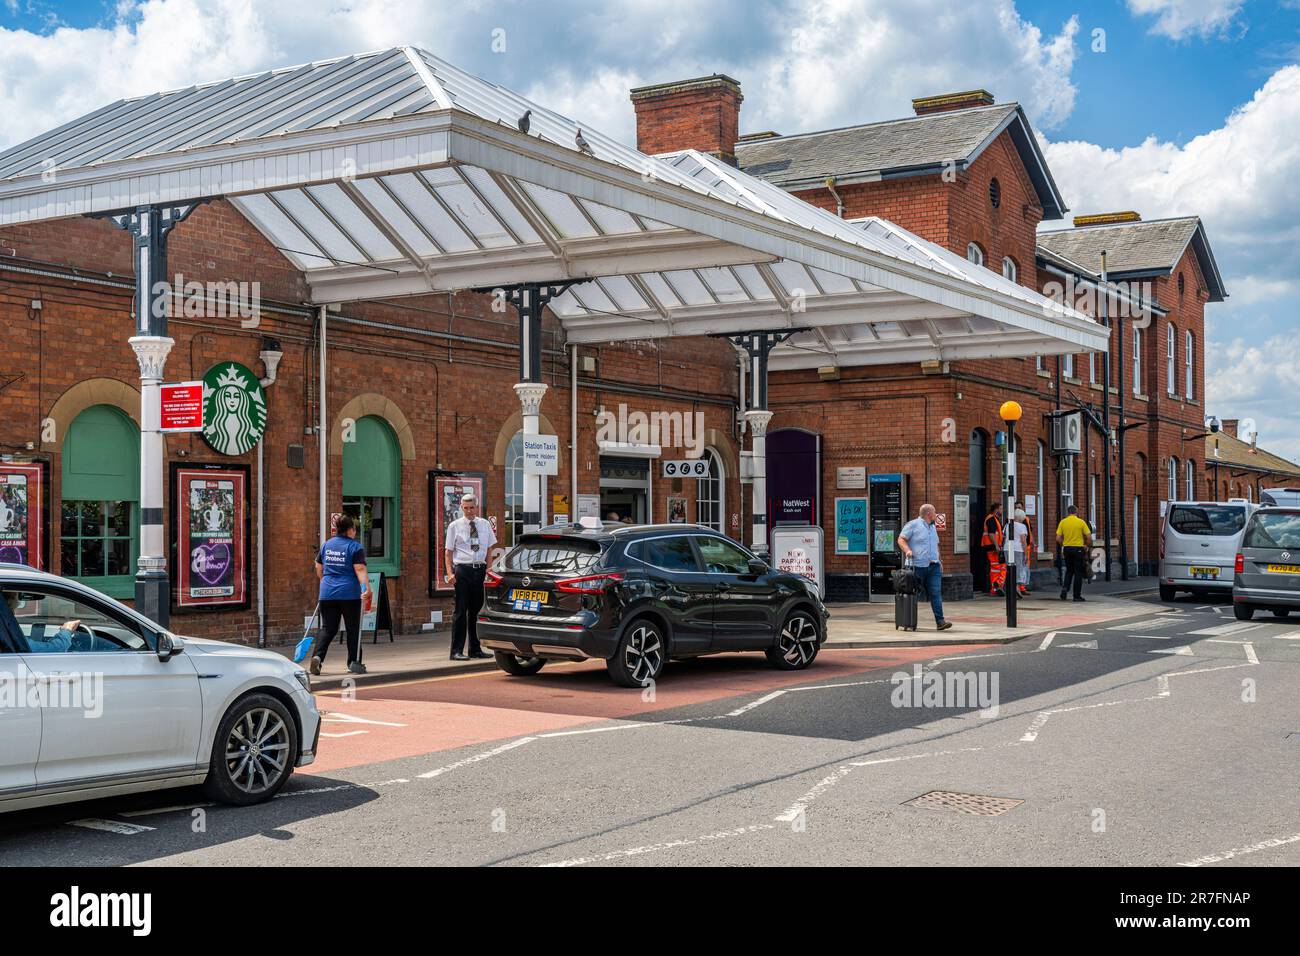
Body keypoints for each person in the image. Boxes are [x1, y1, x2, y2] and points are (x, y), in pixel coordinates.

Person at [311, 514, 370, 676]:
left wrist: (325, 582)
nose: (355, 532)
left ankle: (317, 657)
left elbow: (318, 567)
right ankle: (354, 662)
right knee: (353, 629)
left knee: (328, 628)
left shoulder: (326, 545)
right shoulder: (355, 547)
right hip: (349, 594)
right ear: (350, 530)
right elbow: (359, 569)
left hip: (327, 593)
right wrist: (366, 589)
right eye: (354, 529)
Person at [444, 493, 496, 661]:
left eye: (471, 507)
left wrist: (489, 571)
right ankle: (456, 651)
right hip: (462, 570)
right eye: (465, 508)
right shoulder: (454, 526)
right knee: (460, 611)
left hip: (479, 570)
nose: (468, 511)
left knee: (476, 612)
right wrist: (450, 573)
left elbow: (489, 550)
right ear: (461, 508)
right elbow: (448, 552)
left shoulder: (485, 524)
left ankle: (475, 649)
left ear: (476, 507)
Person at [897, 503, 953, 632]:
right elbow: (901, 539)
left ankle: (940, 621)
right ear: (928, 513)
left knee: (936, 593)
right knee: (913, 594)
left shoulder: (932, 527)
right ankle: (908, 620)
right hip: (916, 566)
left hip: (934, 566)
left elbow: (935, 545)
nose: (936, 514)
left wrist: (940, 561)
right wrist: (908, 550)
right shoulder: (912, 525)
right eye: (934, 512)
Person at [2, 591, 76, 652]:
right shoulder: (5, 633)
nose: (13, 614)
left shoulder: (4, 630)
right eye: (12, 612)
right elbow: (54, 649)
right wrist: (66, 631)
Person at [1056, 504, 1093, 602]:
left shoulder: (1063, 522)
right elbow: (1089, 537)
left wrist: (1064, 544)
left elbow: (1058, 538)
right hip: (1078, 549)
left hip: (1067, 549)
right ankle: (1076, 596)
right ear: (1076, 512)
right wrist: (1087, 546)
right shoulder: (1081, 522)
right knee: (1078, 573)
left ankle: (1065, 588)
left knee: (1069, 570)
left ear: (1068, 512)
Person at [981, 502, 1006, 596]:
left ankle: (995, 587)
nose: (1002, 511)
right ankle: (997, 586)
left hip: (992, 546)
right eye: (1001, 509)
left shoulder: (994, 519)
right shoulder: (991, 519)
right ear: (996, 510)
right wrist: (996, 545)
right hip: (993, 546)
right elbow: (991, 534)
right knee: (1000, 566)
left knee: (996, 567)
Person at [1012, 507, 1031, 597]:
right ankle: (1016, 588)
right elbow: (1023, 541)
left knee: (1010, 569)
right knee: (1019, 569)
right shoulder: (1022, 526)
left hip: (1007, 549)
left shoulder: (1008, 525)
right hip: (1018, 549)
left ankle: (1014, 588)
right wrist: (1026, 554)